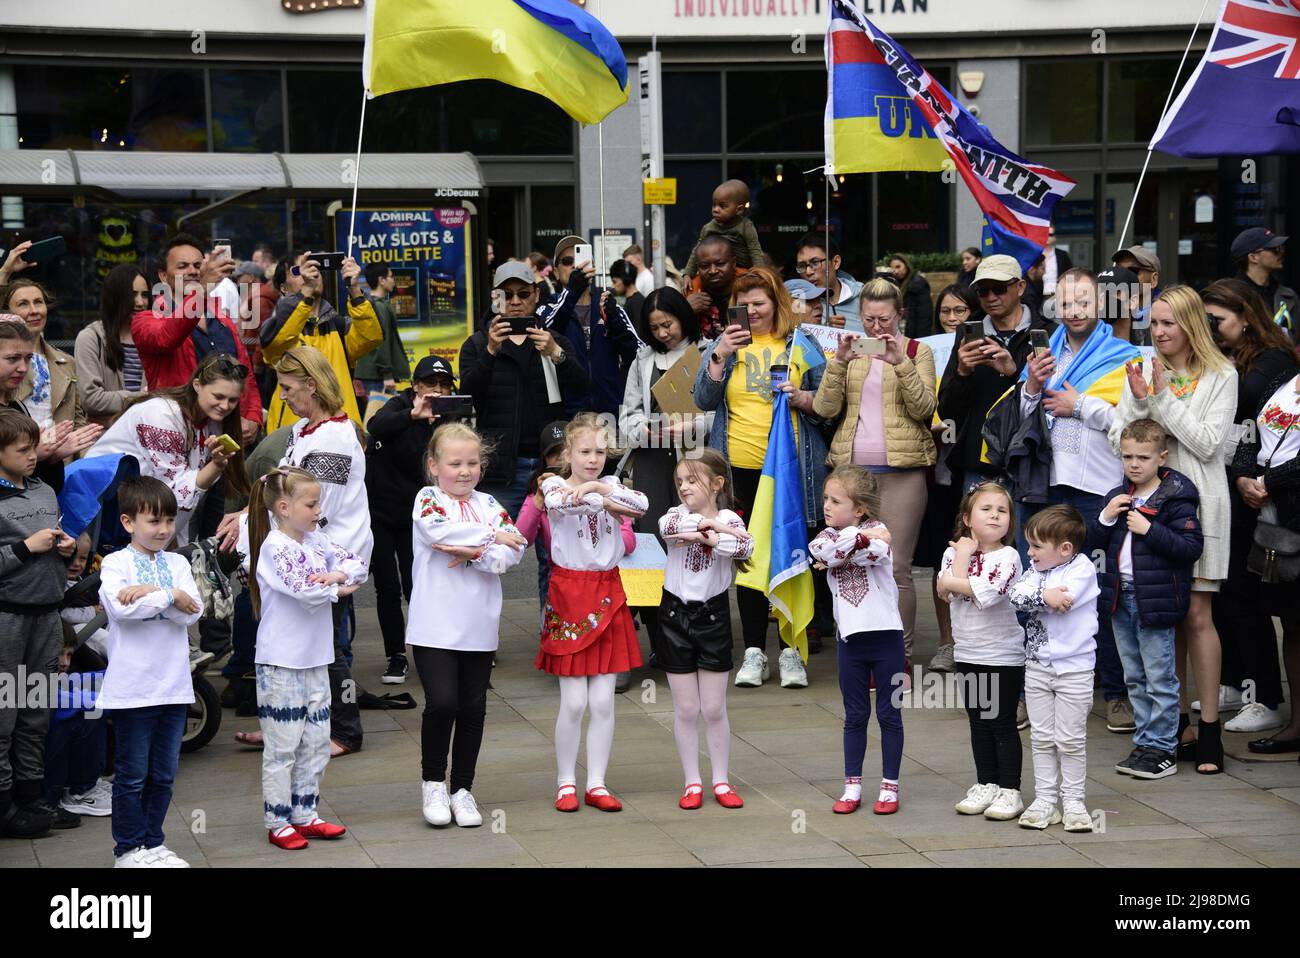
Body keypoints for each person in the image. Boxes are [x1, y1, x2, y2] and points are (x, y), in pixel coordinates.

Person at [1110, 286, 1238, 775]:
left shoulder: (1221, 374)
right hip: (1148, 506)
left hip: (1200, 505)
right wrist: (1142, 401)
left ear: (1191, 326)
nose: (1159, 333)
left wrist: (1159, 397)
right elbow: (1121, 435)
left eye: (1169, 324)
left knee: (1198, 617)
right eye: (1154, 324)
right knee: (1166, 615)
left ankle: (1208, 730)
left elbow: (1206, 445)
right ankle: (1172, 725)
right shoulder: (1141, 367)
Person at [693, 266, 831, 689]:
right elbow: (702, 399)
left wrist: (802, 398)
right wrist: (719, 354)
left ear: (777, 305)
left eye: (759, 303)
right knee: (747, 556)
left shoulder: (802, 345)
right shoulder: (727, 345)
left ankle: (791, 650)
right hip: (738, 472)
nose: (751, 311)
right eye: (743, 304)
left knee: (790, 555)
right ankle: (754, 650)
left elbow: (829, 406)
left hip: (791, 474)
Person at [1018, 268, 1140, 732]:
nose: (1074, 311)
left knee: (1103, 594)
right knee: (1036, 590)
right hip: (1046, 487)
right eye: (1066, 303)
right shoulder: (1043, 354)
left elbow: (1133, 427)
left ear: (1101, 304)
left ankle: (1115, 694)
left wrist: (1080, 406)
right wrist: (1031, 386)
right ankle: (1035, 690)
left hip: (1098, 491)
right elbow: (1025, 418)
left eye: (1084, 302)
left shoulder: (1125, 357)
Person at [813, 278, 936, 673]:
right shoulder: (850, 353)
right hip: (853, 474)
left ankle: (898, 657)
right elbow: (826, 408)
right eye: (869, 320)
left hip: (903, 473)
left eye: (884, 319)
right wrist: (839, 363)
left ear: (899, 315)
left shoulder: (918, 351)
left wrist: (900, 362)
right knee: (850, 562)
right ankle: (857, 653)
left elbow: (924, 409)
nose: (877, 329)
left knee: (896, 567)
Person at [408, 423, 526, 828]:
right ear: (433, 465)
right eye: (454, 463)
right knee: (442, 703)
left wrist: (476, 554)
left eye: (472, 462)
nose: (464, 471)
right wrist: (491, 538)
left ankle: (462, 788)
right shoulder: (428, 499)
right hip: (434, 624)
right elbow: (437, 531)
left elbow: (514, 550)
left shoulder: (490, 502)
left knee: (473, 707)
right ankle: (433, 783)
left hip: (479, 623)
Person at [247, 465, 364, 850]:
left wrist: (334, 578)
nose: (317, 511)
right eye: (311, 504)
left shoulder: (317, 540)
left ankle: (305, 813)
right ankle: (277, 819)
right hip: (281, 661)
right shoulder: (274, 547)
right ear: (283, 507)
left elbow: (356, 564)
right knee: (282, 746)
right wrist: (337, 586)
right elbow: (302, 590)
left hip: (316, 658)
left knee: (315, 741)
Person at [537, 413, 648, 814]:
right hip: (570, 592)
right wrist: (599, 496)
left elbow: (641, 505)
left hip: (608, 590)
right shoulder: (552, 484)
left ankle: (596, 783)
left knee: (603, 702)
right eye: (584, 451)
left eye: (601, 452)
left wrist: (604, 490)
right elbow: (564, 506)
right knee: (574, 703)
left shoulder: (613, 485)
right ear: (567, 453)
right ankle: (566, 781)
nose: (593, 459)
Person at [1206, 278, 1298, 733]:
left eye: (1217, 321)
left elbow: (1247, 418)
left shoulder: (1272, 362)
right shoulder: (1229, 359)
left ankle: (1266, 695)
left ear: (1246, 317)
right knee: (1223, 592)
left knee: (1248, 595)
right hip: (1233, 483)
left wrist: (1253, 479)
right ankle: (1236, 681)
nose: (1211, 328)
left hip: (1266, 497)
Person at [97, 476, 204, 867]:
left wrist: (160, 595)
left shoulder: (176, 562)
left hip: (174, 687)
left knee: (163, 775)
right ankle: (128, 849)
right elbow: (122, 611)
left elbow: (194, 611)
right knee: (132, 776)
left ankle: (153, 843)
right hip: (132, 690)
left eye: (169, 521)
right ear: (128, 523)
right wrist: (170, 597)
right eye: (153, 521)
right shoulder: (115, 563)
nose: (163, 529)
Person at [273, 347, 374, 756]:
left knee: (327, 650)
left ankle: (347, 732)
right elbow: (281, 485)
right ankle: (292, 724)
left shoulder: (332, 437)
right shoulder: (305, 430)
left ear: (311, 385)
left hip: (330, 560)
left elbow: (312, 506)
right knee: (302, 646)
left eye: (287, 387)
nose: (281, 395)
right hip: (312, 555)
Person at [1092, 419, 1203, 781]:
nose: (1134, 464)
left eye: (1143, 456)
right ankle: (1145, 742)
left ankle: (1163, 748)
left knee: (1160, 677)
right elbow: (1090, 541)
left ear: (1162, 457)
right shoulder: (1116, 496)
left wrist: (1150, 529)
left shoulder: (1177, 497)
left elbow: (1190, 547)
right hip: (1119, 597)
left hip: (1153, 599)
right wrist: (1106, 517)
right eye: (1127, 457)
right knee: (1134, 676)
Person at [657, 449, 753, 811]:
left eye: (692, 480)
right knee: (685, 708)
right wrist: (706, 528)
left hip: (712, 617)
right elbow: (667, 529)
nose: (683, 488)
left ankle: (721, 780)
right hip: (673, 615)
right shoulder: (675, 516)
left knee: (713, 708)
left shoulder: (732, 518)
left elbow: (745, 546)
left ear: (716, 484)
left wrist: (718, 533)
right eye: (679, 481)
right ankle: (692, 781)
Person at [619, 286, 713, 649]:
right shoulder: (643, 360)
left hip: (693, 456)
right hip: (651, 458)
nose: (662, 333)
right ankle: (662, 639)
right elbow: (626, 412)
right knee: (654, 542)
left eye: (668, 324)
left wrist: (690, 427)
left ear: (683, 317)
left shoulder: (706, 353)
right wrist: (639, 429)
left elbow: (720, 415)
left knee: (695, 536)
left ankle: (699, 630)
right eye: (655, 327)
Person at [808, 466, 904, 816]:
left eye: (836, 501)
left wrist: (862, 541)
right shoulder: (825, 537)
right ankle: (852, 786)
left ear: (860, 508)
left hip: (887, 638)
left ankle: (890, 787)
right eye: (825, 499)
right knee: (854, 715)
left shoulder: (881, 535)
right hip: (850, 642)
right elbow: (827, 554)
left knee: (890, 714)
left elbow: (872, 552)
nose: (827, 507)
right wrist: (856, 539)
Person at [0, 410, 77, 840]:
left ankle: (31, 797)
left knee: (35, 714)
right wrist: (26, 549)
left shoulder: (45, 490)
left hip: (46, 618)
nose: (33, 457)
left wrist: (64, 550)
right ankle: (4, 804)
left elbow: (55, 541)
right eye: (22, 450)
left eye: (35, 448)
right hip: (8, 620)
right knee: (3, 717)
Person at [459, 261, 586, 518]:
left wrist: (556, 354)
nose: (515, 301)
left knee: (553, 552)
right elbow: (469, 395)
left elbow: (582, 386)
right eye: (507, 294)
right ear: (496, 298)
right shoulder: (478, 343)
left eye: (524, 294)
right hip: (501, 468)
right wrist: (491, 352)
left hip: (551, 463)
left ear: (536, 295)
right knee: (497, 551)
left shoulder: (554, 340)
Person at [365, 355, 460, 684]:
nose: (437, 389)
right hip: (380, 510)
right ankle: (395, 655)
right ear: (416, 385)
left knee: (417, 584)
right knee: (387, 587)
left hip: (416, 516)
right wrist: (412, 414)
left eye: (443, 384)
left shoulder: (447, 416)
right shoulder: (398, 405)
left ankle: (428, 648)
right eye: (430, 383)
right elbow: (374, 427)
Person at [89, 353, 250, 544]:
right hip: (102, 509)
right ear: (197, 385)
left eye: (232, 400)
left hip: (139, 511)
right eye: (219, 396)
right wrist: (216, 465)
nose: (225, 406)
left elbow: (183, 499)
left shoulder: (213, 422)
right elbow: (175, 491)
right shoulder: (162, 415)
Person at [938, 482, 1025, 820]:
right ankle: (986, 783)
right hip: (968, 652)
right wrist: (961, 558)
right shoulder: (951, 553)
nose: (995, 515)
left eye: (1002, 511)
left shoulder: (1009, 557)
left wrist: (957, 571)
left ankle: (1010, 790)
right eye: (986, 509)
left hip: (1002, 655)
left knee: (1001, 722)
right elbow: (949, 594)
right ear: (967, 518)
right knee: (978, 721)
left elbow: (982, 593)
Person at [1008, 505, 1098, 832]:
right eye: (1029, 545)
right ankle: (1045, 800)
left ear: (1065, 549)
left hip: (1075, 669)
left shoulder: (1083, 568)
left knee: (1070, 739)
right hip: (1037, 667)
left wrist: (1044, 596)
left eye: (1035, 546)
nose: (1028, 553)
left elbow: (1065, 600)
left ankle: (1073, 800)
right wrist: (1044, 593)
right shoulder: (1035, 572)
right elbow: (1015, 595)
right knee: (1042, 737)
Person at [1228, 359, 1300, 761]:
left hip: (1288, 504)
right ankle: (1296, 725)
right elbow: (1247, 433)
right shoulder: (1281, 382)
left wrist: (1269, 481)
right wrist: (1242, 478)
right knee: (1291, 622)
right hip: (1273, 525)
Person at [937, 254, 1053, 494]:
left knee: (1028, 533)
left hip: (1031, 462)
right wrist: (962, 372)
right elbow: (948, 411)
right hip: (980, 463)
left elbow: (1054, 398)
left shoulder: (1047, 332)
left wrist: (1015, 372)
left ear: (1020, 287)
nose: (991, 297)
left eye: (999, 289)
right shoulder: (967, 334)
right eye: (982, 291)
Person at [131, 233, 262, 444]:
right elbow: (166, 338)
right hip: (178, 438)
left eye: (197, 265)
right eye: (182, 266)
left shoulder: (223, 320)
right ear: (163, 277)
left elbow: (246, 376)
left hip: (228, 440)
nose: (192, 271)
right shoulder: (146, 319)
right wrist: (202, 289)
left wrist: (253, 417)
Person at [920, 283, 980, 673]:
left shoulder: (983, 351)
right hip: (935, 474)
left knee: (979, 557)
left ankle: (977, 642)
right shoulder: (925, 351)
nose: (953, 318)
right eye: (946, 311)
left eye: (960, 311)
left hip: (972, 470)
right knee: (942, 558)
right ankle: (947, 642)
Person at [260, 250, 383, 431]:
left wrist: (355, 288)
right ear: (283, 288)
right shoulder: (278, 328)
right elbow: (275, 345)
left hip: (340, 435)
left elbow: (371, 336)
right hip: (292, 439)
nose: (310, 274)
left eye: (314, 268)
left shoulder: (340, 327)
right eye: (298, 270)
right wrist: (306, 292)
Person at [540, 235, 642, 418]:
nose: (574, 265)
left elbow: (638, 354)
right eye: (567, 261)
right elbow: (548, 330)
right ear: (555, 272)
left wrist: (614, 321)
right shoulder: (547, 308)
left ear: (592, 267)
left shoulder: (609, 304)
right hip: (568, 416)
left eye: (580, 259)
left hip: (610, 415)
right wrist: (572, 292)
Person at [2, 278, 90, 437]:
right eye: (23, 304)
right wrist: (5, 272)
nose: (34, 310)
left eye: (38, 302)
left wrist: (85, 457)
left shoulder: (66, 361)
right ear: (6, 312)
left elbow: (77, 420)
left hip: (62, 458)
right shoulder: (4, 360)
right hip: (17, 453)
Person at [75, 263, 150, 427]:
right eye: (132, 295)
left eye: (144, 295)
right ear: (115, 297)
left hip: (147, 437)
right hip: (106, 439)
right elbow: (91, 399)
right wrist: (142, 397)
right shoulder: (90, 338)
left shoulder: (154, 337)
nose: (140, 302)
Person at [682, 178, 764, 276]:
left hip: (743, 271)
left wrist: (760, 273)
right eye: (714, 205)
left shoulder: (745, 226)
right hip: (715, 272)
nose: (715, 209)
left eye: (722, 206)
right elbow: (697, 251)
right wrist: (688, 274)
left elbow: (755, 250)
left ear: (739, 210)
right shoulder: (708, 228)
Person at [355, 262, 411, 397]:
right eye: (391, 276)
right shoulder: (379, 306)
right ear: (381, 280)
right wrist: (387, 375)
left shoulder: (369, 304)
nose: (393, 281)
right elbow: (382, 343)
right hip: (377, 375)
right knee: (380, 414)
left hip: (371, 373)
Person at [1231, 227, 1296, 336]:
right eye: (1275, 249)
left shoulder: (1289, 296)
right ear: (1253, 257)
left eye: (1281, 248)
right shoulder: (1229, 296)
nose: (1281, 252)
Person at [793, 233, 864, 331]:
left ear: (835, 262)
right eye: (802, 266)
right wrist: (825, 331)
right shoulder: (797, 302)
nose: (808, 272)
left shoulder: (865, 297)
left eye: (815, 262)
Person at [685, 236, 747, 339]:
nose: (713, 271)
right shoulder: (690, 291)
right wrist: (686, 309)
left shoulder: (752, 287)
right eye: (705, 266)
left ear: (733, 263)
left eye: (720, 264)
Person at [1110, 245, 1161, 342]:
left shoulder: (1169, 312)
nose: (1123, 277)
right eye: (1119, 271)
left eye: (1133, 271)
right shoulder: (1109, 312)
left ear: (1153, 279)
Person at [886, 253, 933, 338]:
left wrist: (921, 339)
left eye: (898, 267)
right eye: (892, 268)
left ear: (907, 265)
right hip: (901, 330)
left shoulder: (918, 283)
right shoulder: (895, 283)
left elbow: (925, 315)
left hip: (915, 332)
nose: (895, 271)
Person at [608, 258, 646, 329]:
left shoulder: (636, 303)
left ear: (625, 279)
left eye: (615, 281)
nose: (612, 286)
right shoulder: (633, 301)